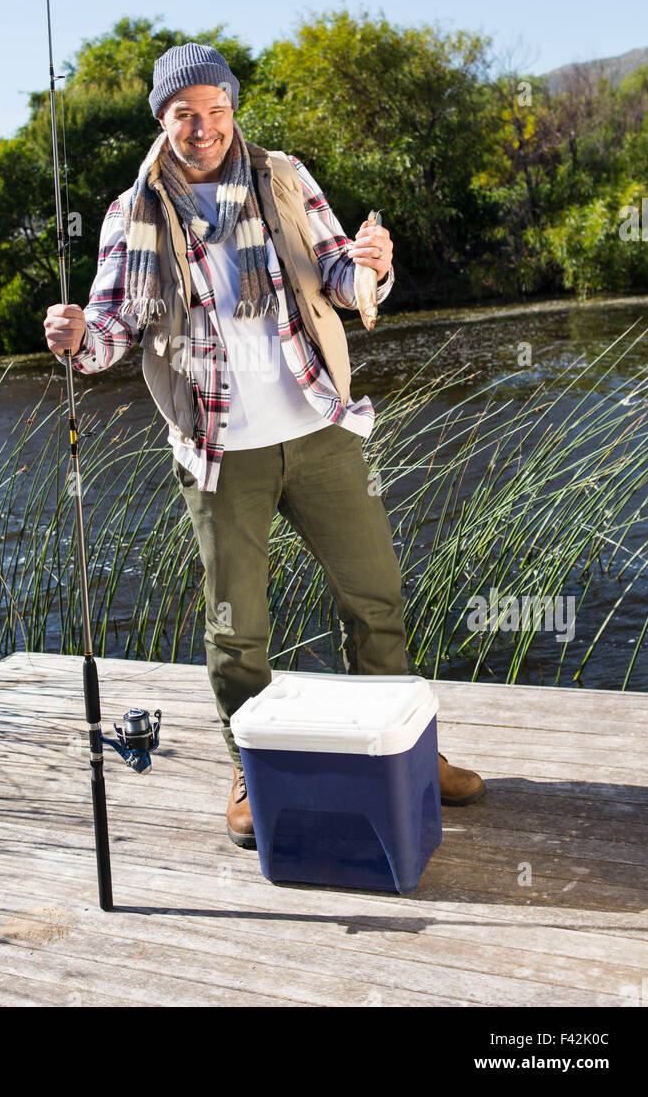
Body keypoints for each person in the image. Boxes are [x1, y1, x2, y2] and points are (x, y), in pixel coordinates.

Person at [44, 42, 485, 847]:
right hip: (218, 451)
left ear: (232, 112)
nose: (203, 127)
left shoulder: (283, 176)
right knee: (236, 628)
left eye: (215, 111)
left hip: (320, 429)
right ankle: (253, 773)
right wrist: (76, 337)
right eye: (186, 114)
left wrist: (371, 268)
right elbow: (112, 329)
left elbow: (340, 277)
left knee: (375, 598)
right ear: (163, 119)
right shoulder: (130, 214)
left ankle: (412, 752)